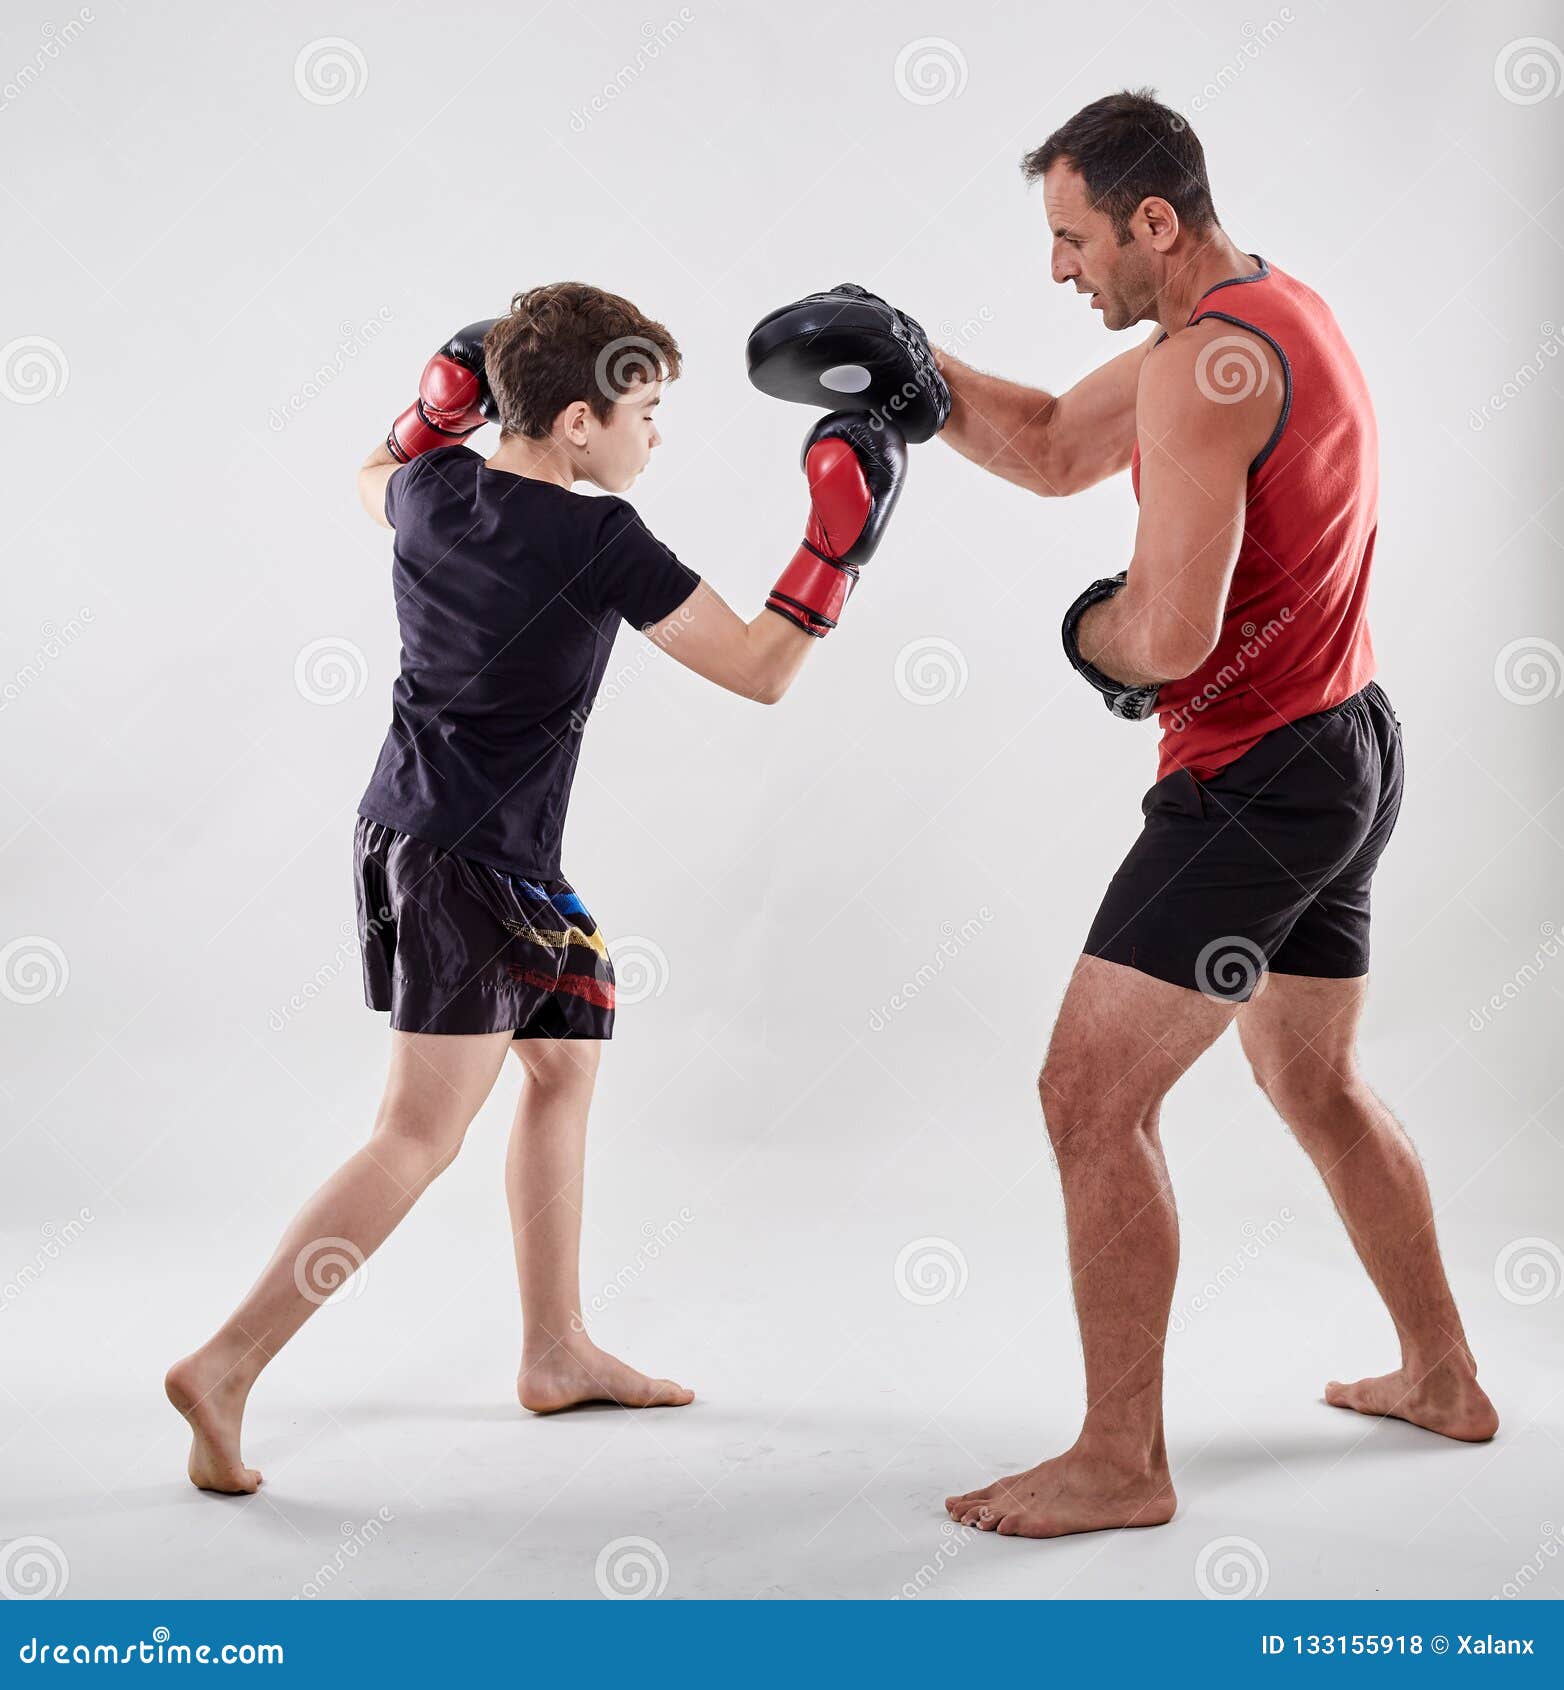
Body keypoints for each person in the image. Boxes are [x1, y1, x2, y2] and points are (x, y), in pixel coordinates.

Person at [166, 281, 904, 1494]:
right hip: (470, 861)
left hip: (436, 836)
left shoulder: (427, 491)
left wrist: (426, 415)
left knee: (563, 1054)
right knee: (416, 1133)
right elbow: (762, 672)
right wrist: (838, 544)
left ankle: (554, 1349)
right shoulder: (597, 539)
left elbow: (372, 472)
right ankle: (226, 1364)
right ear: (575, 422)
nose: (656, 436)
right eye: (646, 410)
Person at [935, 90, 1497, 1540]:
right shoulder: (1255, 320)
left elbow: (1170, 639)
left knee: (1089, 1098)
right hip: (1347, 747)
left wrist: (1088, 635)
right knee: (1315, 1083)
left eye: (1073, 241)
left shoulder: (1202, 370)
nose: (1061, 271)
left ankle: (1121, 1459)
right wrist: (911, 372)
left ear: (1153, 223)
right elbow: (1058, 443)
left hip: (1257, 782)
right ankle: (1443, 1374)